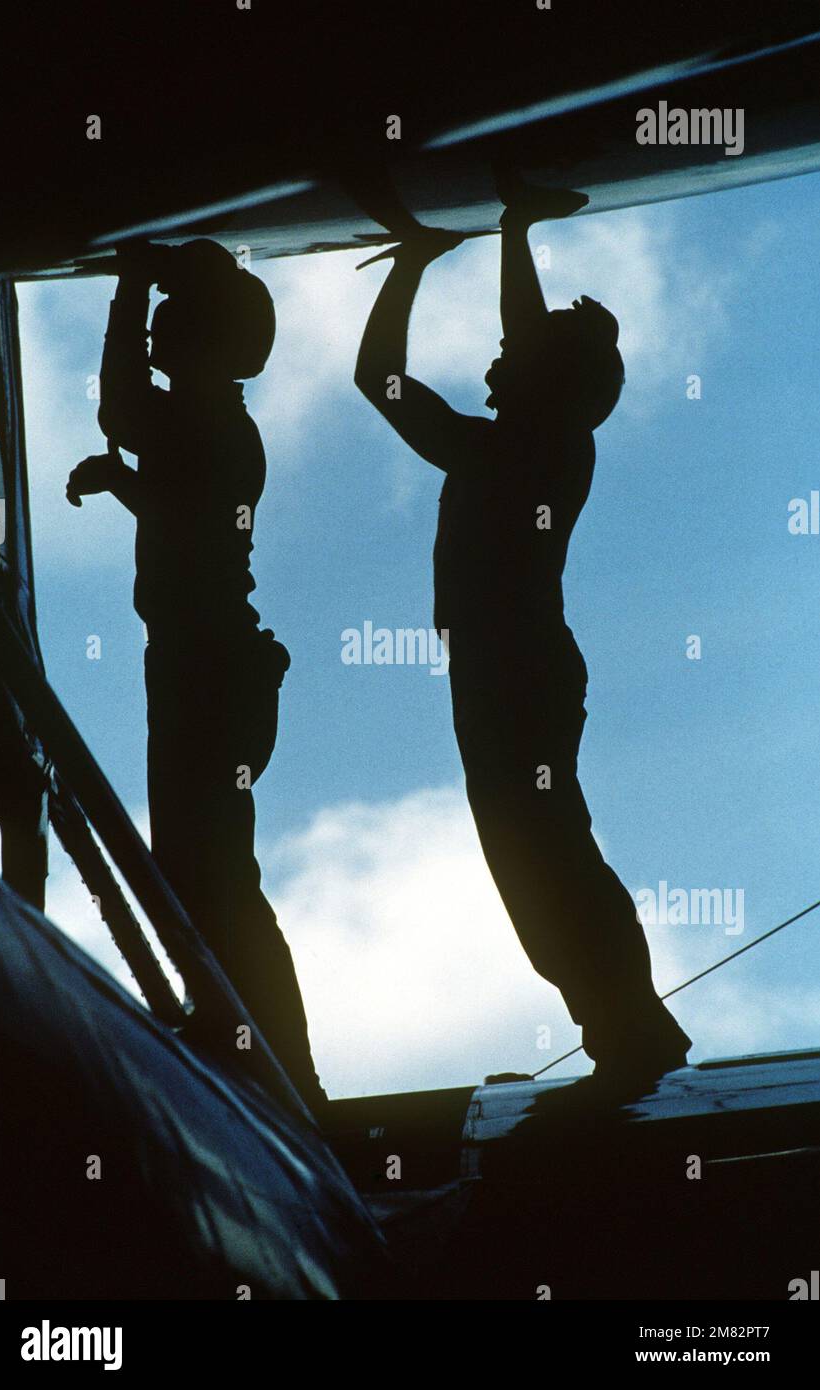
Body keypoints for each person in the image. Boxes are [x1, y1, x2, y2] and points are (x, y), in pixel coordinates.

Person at [354, 183, 691, 1090]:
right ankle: (621, 1023)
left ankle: (625, 1024)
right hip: (515, 668)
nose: (499, 351)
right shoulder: (535, 439)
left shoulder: (516, 447)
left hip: (513, 672)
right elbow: (523, 337)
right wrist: (510, 231)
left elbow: (376, 380)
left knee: (538, 845)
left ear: (546, 381)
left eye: (515, 353)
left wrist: (434, 261)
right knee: (540, 842)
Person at [67, 239, 326, 1114]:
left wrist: (131, 285)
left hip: (206, 670)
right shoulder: (215, 426)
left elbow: (123, 409)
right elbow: (186, 515)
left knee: (209, 873)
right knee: (205, 871)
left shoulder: (203, 423)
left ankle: (279, 1074)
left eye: (167, 328)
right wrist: (124, 484)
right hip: (207, 666)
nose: (151, 342)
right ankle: (268, 1068)